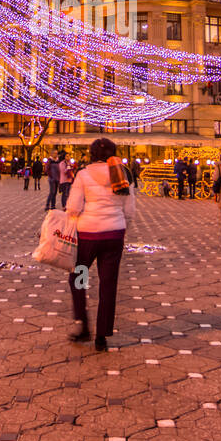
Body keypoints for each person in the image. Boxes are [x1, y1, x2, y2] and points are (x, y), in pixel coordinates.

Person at [65, 138, 135, 352]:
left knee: (79, 276)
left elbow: (73, 207)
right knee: (108, 284)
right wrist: (120, 223)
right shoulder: (122, 174)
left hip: (88, 236)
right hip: (113, 236)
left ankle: (83, 324)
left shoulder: (84, 175)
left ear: (91, 154)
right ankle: (102, 336)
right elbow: (129, 210)